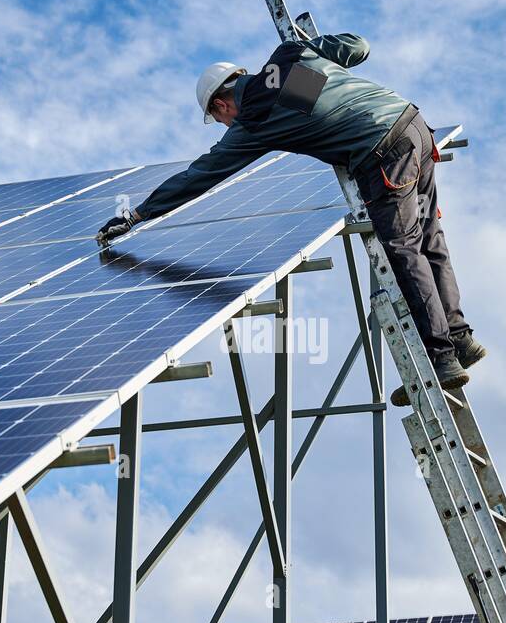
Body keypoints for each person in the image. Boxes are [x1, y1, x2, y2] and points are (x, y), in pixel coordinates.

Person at [96, 34, 485, 400]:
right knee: (430, 236)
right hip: (413, 125)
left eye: (220, 121)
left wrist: (139, 214)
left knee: (402, 248)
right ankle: (460, 337)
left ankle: (442, 358)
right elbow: (357, 49)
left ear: (221, 104)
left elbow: (199, 176)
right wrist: (314, 44)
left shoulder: (252, 121)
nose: (226, 126)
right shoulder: (290, 59)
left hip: (382, 153)